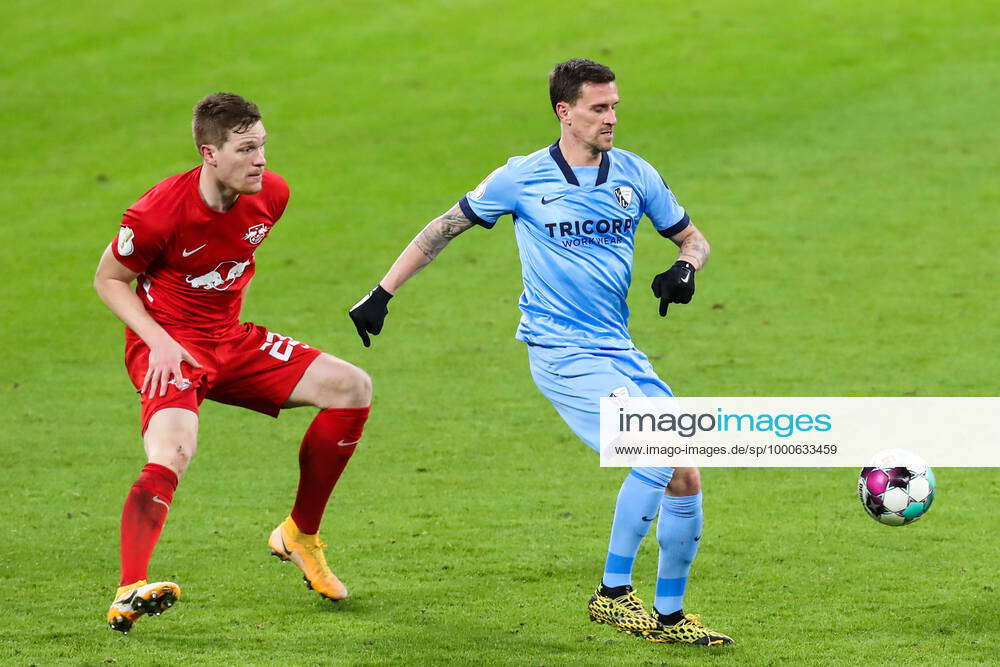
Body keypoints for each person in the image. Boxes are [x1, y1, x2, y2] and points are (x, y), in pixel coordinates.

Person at [349, 59, 731, 646]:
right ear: (565, 112)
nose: (611, 118)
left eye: (615, 106)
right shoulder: (521, 178)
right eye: (598, 108)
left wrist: (686, 267)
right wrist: (381, 293)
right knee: (655, 450)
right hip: (560, 352)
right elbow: (442, 229)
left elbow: (692, 237)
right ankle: (613, 596)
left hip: (618, 350)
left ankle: (671, 618)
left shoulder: (636, 175)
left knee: (684, 471)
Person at [94, 92, 372, 634]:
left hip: (231, 341)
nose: (260, 160)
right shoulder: (156, 213)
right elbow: (108, 279)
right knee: (173, 451)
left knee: (351, 386)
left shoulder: (272, 195)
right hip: (169, 347)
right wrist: (158, 340)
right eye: (246, 150)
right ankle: (130, 587)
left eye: (263, 146)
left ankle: (299, 535)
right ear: (209, 153)